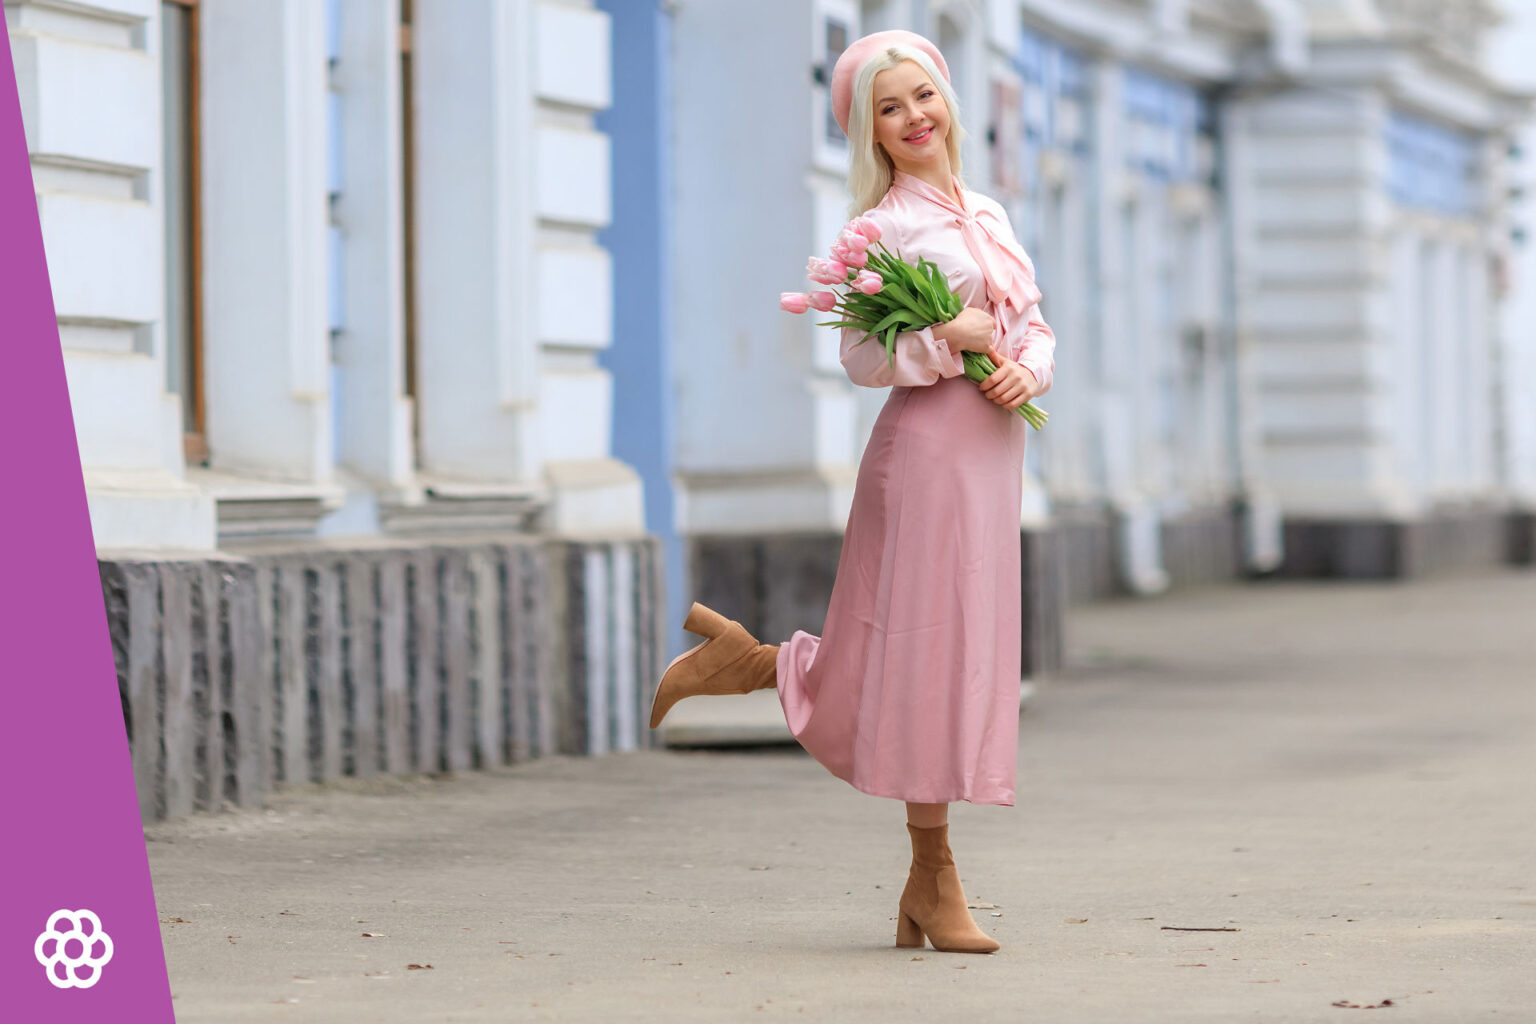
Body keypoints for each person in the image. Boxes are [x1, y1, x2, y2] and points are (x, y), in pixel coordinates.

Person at [649, 29, 1055, 956]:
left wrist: (1028, 370)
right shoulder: (880, 232)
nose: (914, 116)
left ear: (948, 100)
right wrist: (952, 334)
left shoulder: (984, 211)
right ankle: (937, 876)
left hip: (990, 458)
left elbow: (1031, 325)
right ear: (868, 131)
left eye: (923, 96)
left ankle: (753, 664)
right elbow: (866, 359)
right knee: (923, 656)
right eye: (888, 107)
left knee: (960, 654)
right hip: (924, 458)